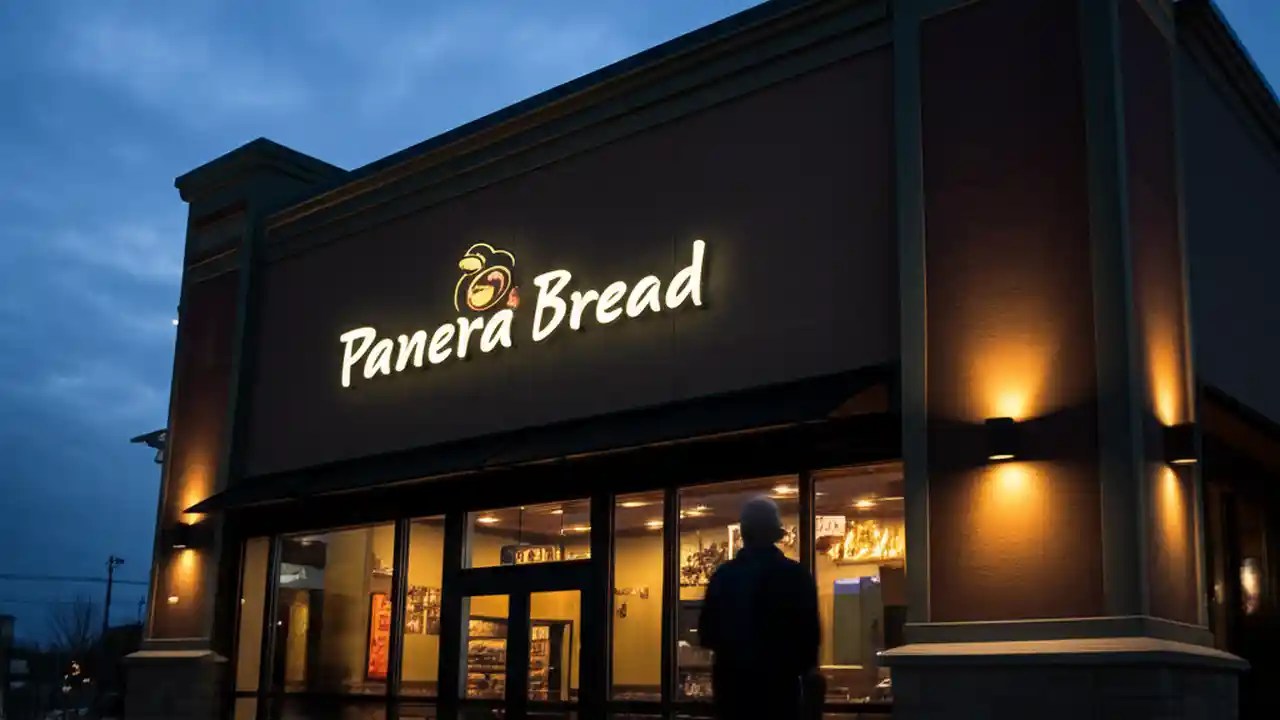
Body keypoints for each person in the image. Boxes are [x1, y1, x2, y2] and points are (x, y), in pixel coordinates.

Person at [698, 495, 821, 719]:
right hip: (780, 694)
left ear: (744, 533)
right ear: (775, 533)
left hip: (733, 694)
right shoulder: (797, 576)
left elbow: (707, 635)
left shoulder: (723, 577)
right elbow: (809, 641)